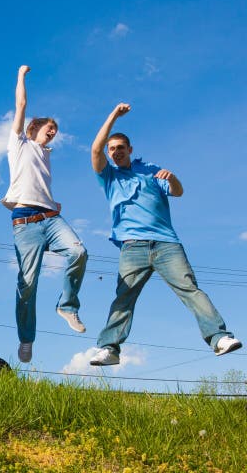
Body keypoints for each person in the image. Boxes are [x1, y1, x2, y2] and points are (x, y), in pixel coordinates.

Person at [88, 103, 242, 365]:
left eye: (120, 148)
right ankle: (110, 349)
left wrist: (172, 179)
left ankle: (219, 338)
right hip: (132, 246)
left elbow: (179, 192)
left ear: (130, 150)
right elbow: (94, 149)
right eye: (111, 149)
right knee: (124, 296)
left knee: (189, 289)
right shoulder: (109, 176)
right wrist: (114, 115)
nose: (115, 152)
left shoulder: (149, 169)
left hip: (166, 243)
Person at [2, 65, 88, 363]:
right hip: (25, 222)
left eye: (56, 130)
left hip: (50, 218)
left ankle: (67, 306)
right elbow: (21, 105)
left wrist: (53, 203)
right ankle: (26, 338)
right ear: (33, 128)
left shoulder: (46, 155)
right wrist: (21, 76)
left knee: (79, 251)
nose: (53, 132)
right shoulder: (18, 145)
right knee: (28, 283)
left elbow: (39, 185)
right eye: (49, 127)